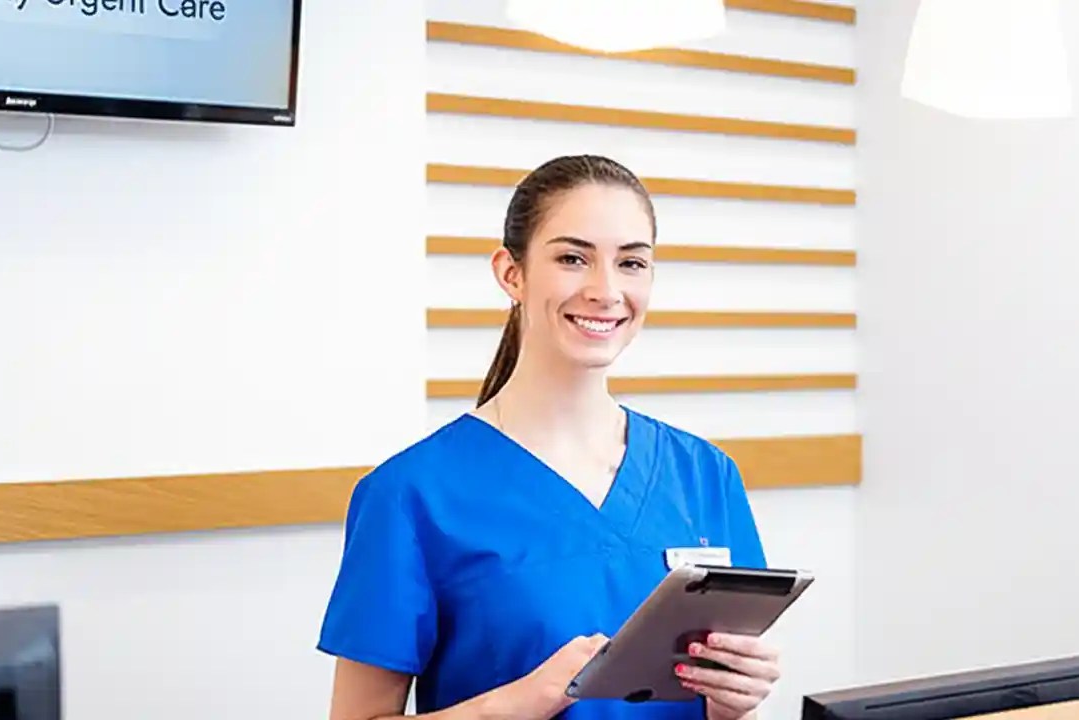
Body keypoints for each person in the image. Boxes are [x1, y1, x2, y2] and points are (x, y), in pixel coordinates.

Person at [318, 155, 781, 720]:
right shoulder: (410, 495)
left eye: (631, 262)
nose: (606, 290)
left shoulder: (707, 476)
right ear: (510, 273)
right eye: (572, 258)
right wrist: (520, 703)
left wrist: (732, 707)